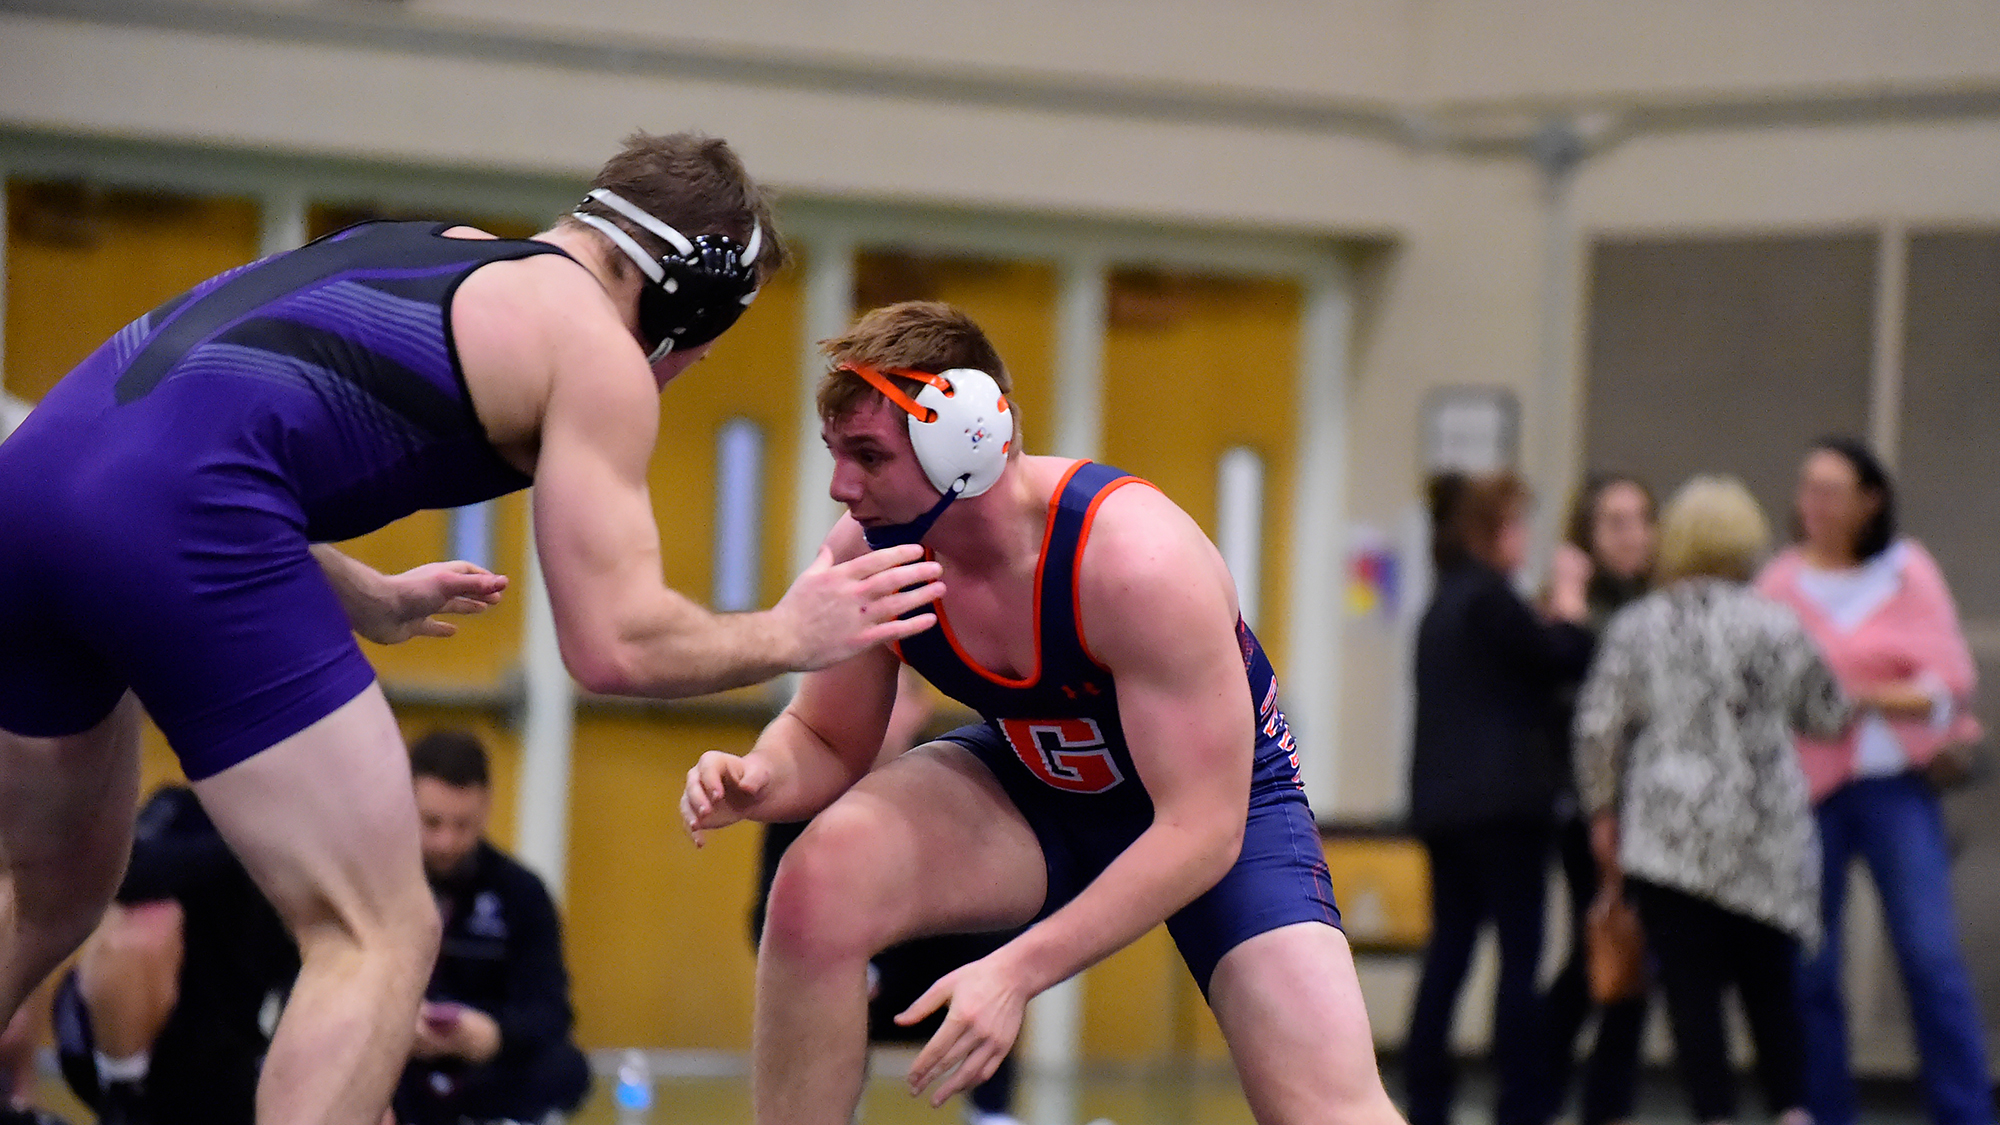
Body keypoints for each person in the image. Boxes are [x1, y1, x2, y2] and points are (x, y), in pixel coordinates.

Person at [0, 130, 946, 1125]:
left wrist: (357, 589)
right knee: (377, 931)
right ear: (693, 294)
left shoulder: (434, 247)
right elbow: (615, 643)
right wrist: (791, 632)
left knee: (49, 888)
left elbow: (173, 433)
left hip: (31, 490)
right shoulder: (594, 349)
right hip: (185, 516)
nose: (704, 356)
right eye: (719, 330)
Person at [682, 300, 1405, 1125]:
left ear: (968, 441)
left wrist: (1016, 970)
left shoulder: (1134, 560)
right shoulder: (873, 553)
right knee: (818, 883)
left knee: (1326, 1109)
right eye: (835, 453)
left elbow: (1202, 828)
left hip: (1222, 809)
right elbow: (826, 735)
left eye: (868, 456)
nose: (841, 487)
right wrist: (761, 773)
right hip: (1043, 777)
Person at [1575, 475, 1851, 1125]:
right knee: (1772, 995)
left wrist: (1603, 809)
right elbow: (1829, 714)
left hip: (1673, 837)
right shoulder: (1778, 624)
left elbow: (1598, 727)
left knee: (1693, 999)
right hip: (1767, 832)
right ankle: (1791, 1110)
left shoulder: (1641, 624)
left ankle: (1715, 1113)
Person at [1756, 438, 1992, 1125]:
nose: (1815, 504)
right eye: (1807, 488)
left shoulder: (1907, 571)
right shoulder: (1778, 583)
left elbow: (1949, 683)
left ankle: (1965, 1112)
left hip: (1896, 788)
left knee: (1929, 956)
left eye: (1831, 490)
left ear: (1870, 500)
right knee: (1809, 966)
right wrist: (1874, 687)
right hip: (1806, 794)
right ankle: (1825, 1111)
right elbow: (1765, 685)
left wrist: (1857, 694)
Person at [749, 666, 1023, 1125]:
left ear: (919, 709)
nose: (878, 716)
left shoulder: (961, 781)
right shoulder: (803, 794)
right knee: (811, 982)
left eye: (892, 701)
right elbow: (766, 913)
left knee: (996, 969)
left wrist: (1001, 970)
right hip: (850, 972)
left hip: (939, 966)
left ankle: (992, 1113)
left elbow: (993, 905)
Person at [1403, 471, 1594, 1125]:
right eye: (1518, 525)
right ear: (1495, 531)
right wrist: (1570, 601)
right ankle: (1519, 1100)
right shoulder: (1492, 600)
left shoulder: (1442, 605)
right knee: (1519, 956)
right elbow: (1563, 656)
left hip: (1444, 805)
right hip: (1506, 805)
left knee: (1450, 950)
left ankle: (1426, 1097)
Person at [53, 784, 299, 1125]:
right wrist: (249, 848)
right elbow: (124, 871)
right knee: (144, 921)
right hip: (146, 1038)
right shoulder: (185, 809)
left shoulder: (315, 839)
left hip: (241, 1049)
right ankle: (123, 1096)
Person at [393, 729, 589, 1125]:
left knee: (567, 1069)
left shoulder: (522, 892)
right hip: (391, 1059)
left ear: (485, 808)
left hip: (483, 1069)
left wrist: (492, 1035)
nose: (446, 842)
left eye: (462, 825)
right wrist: (391, 1024)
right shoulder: (374, 885)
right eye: (431, 823)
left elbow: (550, 1010)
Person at [1539, 474, 1656, 1125]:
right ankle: (1539, 1099)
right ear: (1586, 535)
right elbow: (1574, 700)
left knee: (1626, 962)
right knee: (1604, 955)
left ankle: (1593, 1104)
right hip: (1591, 808)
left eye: (1641, 518)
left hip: (1653, 808)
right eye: (1615, 521)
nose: (1633, 534)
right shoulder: (1570, 610)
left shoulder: (1658, 602)